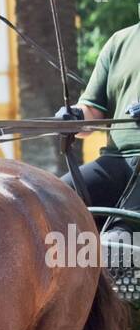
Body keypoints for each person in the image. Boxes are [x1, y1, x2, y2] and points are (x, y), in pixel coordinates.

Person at [57, 15, 140, 223]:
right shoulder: (119, 42)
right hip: (115, 160)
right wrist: (74, 115)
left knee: (120, 235)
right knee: (53, 201)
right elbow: (92, 113)